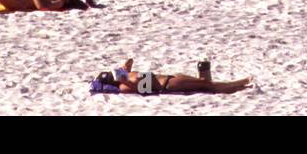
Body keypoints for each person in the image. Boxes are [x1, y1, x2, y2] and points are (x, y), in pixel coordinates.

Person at [94, 60, 252, 95]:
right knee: (206, 84)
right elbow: (144, 88)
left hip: (172, 78)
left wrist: (123, 69)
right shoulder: (124, 85)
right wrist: (125, 79)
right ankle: (242, 83)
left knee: (207, 85)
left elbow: (130, 60)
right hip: (169, 84)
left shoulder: (128, 75)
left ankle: (242, 86)